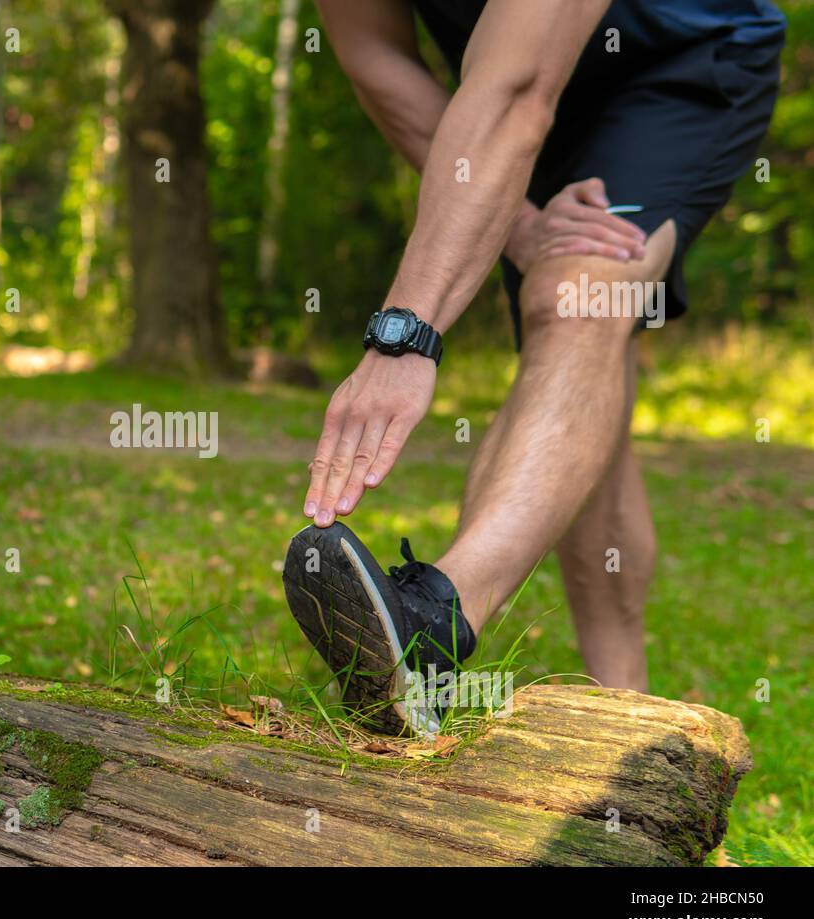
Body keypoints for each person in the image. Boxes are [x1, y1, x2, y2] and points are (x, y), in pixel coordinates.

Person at [282, 0, 785, 734]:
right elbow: (380, 64)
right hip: (497, 100)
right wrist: (519, 223)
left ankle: (435, 626)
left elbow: (516, 91)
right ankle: (629, 726)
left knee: (576, 298)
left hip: (677, 65)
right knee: (579, 372)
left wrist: (404, 338)